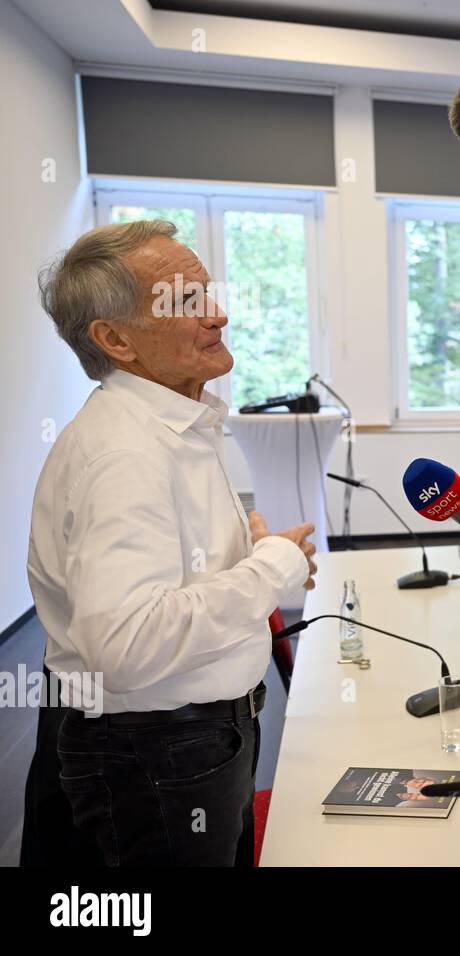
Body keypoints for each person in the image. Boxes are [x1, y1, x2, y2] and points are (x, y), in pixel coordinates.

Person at [25, 220, 318, 866]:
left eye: (207, 293)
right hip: (157, 753)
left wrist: (247, 547)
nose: (218, 315)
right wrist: (270, 568)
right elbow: (126, 643)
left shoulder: (169, 421)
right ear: (115, 339)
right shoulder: (125, 453)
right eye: (185, 302)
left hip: (192, 740)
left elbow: (170, 570)